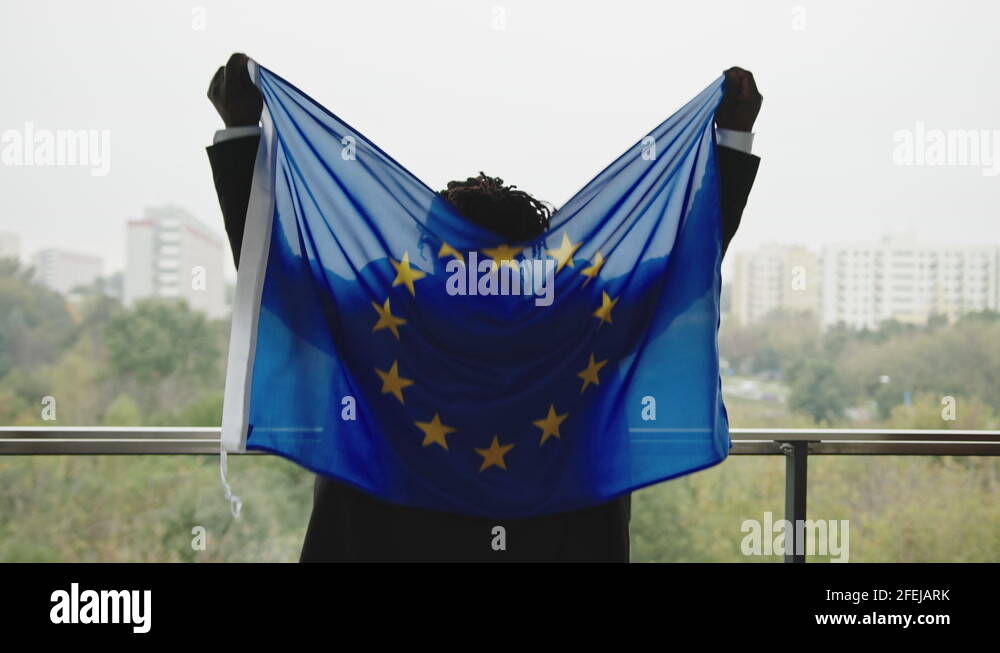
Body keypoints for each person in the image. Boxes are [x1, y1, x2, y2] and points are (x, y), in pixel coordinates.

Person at [206, 53, 761, 562]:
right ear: (530, 256)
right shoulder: (583, 313)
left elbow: (276, 275)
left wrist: (241, 130)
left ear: (432, 251)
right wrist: (731, 138)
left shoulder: (385, 303)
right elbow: (687, 268)